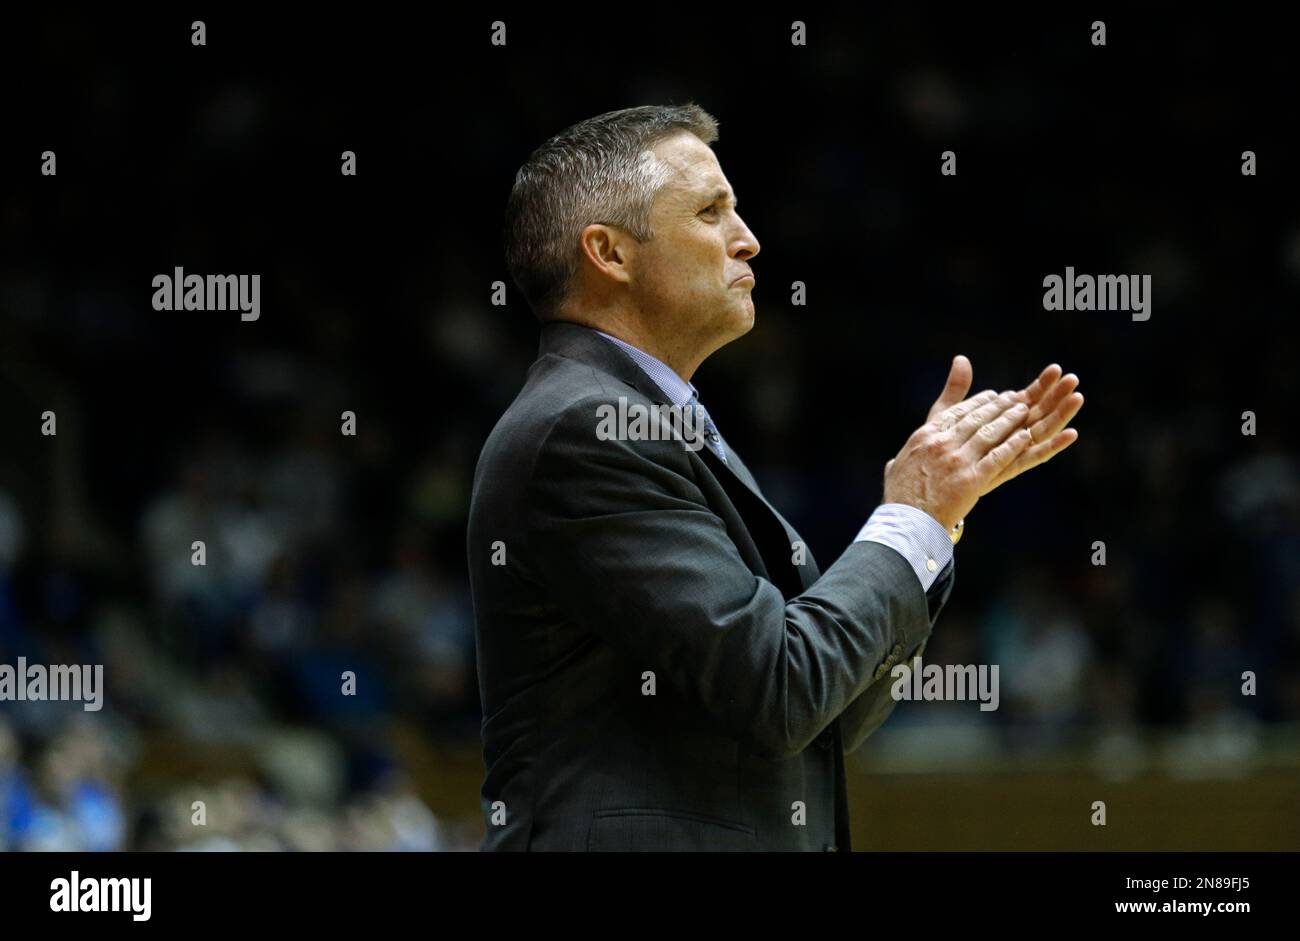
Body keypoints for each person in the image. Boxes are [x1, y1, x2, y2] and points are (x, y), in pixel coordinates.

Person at [468, 103, 1083, 850]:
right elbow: (783, 688)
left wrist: (937, 517)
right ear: (609, 252)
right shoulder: (586, 428)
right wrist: (911, 515)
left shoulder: (648, 419)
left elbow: (830, 708)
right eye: (709, 211)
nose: (749, 239)